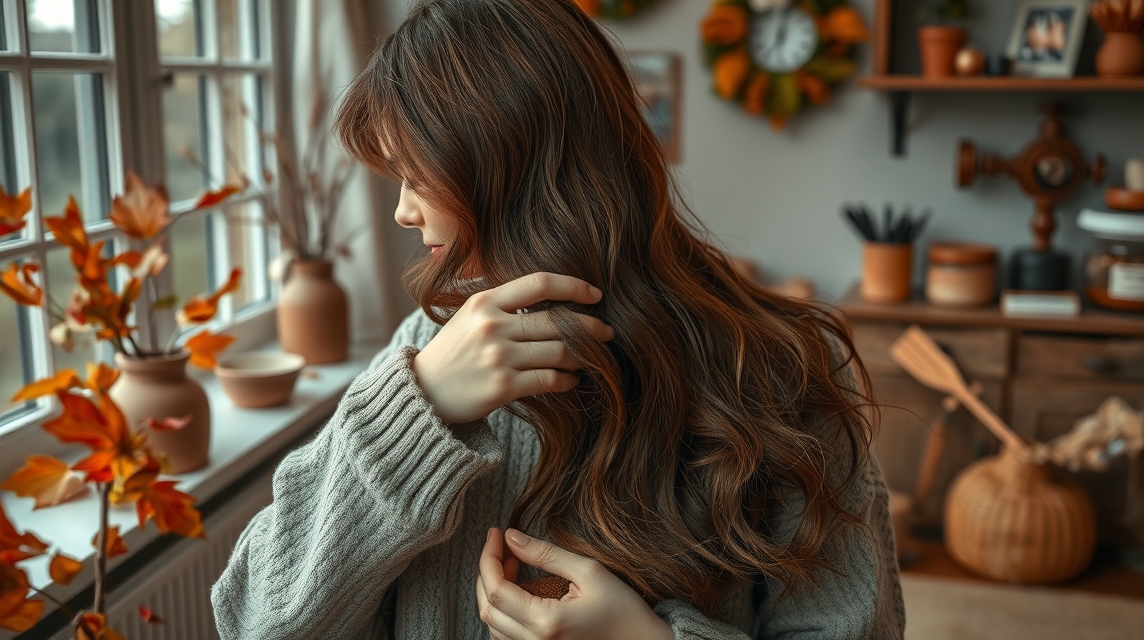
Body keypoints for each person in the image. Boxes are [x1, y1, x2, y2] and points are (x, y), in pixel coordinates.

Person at [210, 0, 905, 638]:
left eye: (415, 175)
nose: (401, 210)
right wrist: (417, 409)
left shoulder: (782, 371)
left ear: (506, 164)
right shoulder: (432, 351)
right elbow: (250, 623)